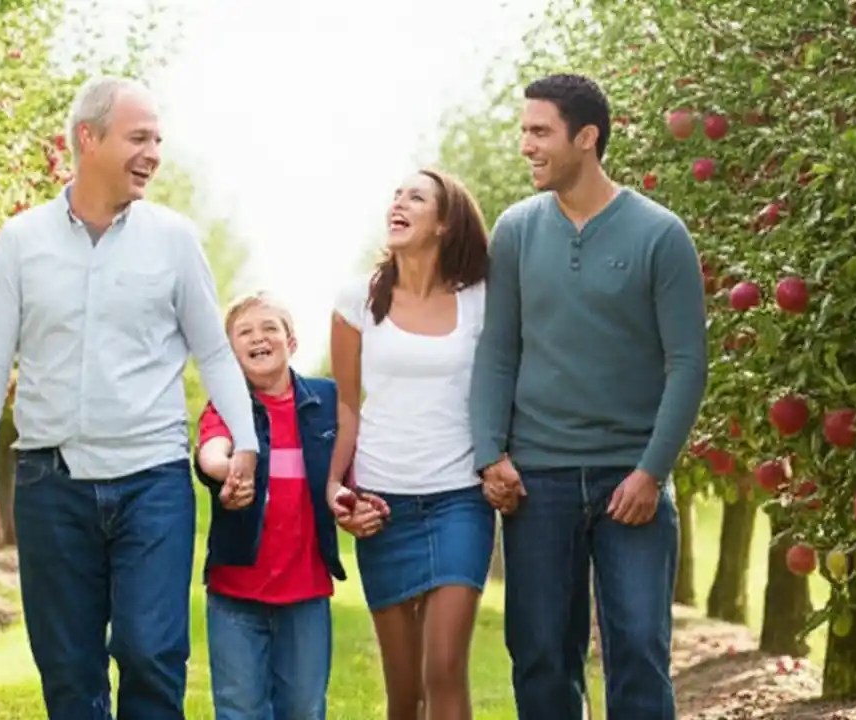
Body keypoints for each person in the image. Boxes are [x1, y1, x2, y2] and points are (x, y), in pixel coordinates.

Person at [0, 76, 259, 720]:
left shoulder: (174, 239)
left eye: (158, 139)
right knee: (69, 672)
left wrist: (247, 442)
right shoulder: (21, 241)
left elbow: (212, 350)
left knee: (152, 652)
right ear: (88, 139)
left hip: (151, 479)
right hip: (50, 483)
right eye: (139, 137)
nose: (154, 152)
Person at [470, 73, 708, 719]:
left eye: (539, 131)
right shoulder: (516, 230)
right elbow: (498, 349)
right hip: (537, 480)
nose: (526, 145)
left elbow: (687, 364)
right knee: (542, 652)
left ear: (587, 136)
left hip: (630, 480)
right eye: (524, 131)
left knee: (637, 649)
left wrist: (651, 473)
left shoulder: (660, 234)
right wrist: (491, 453)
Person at [328, 168, 494, 720]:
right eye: (395, 194)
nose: (397, 202)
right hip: (382, 504)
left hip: (459, 500)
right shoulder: (357, 299)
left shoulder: (480, 300)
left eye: (415, 197)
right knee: (404, 694)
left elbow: (501, 390)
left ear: (444, 223)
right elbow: (347, 407)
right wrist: (335, 488)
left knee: (443, 667)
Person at [193, 291, 362, 720]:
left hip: (305, 594)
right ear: (230, 352)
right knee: (239, 708)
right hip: (236, 595)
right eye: (245, 332)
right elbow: (211, 448)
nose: (259, 337)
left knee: (304, 708)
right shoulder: (227, 405)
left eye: (270, 328)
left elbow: (349, 464)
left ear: (292, 342)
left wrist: (355, 498)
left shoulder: (326, 401)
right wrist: (227, 469)